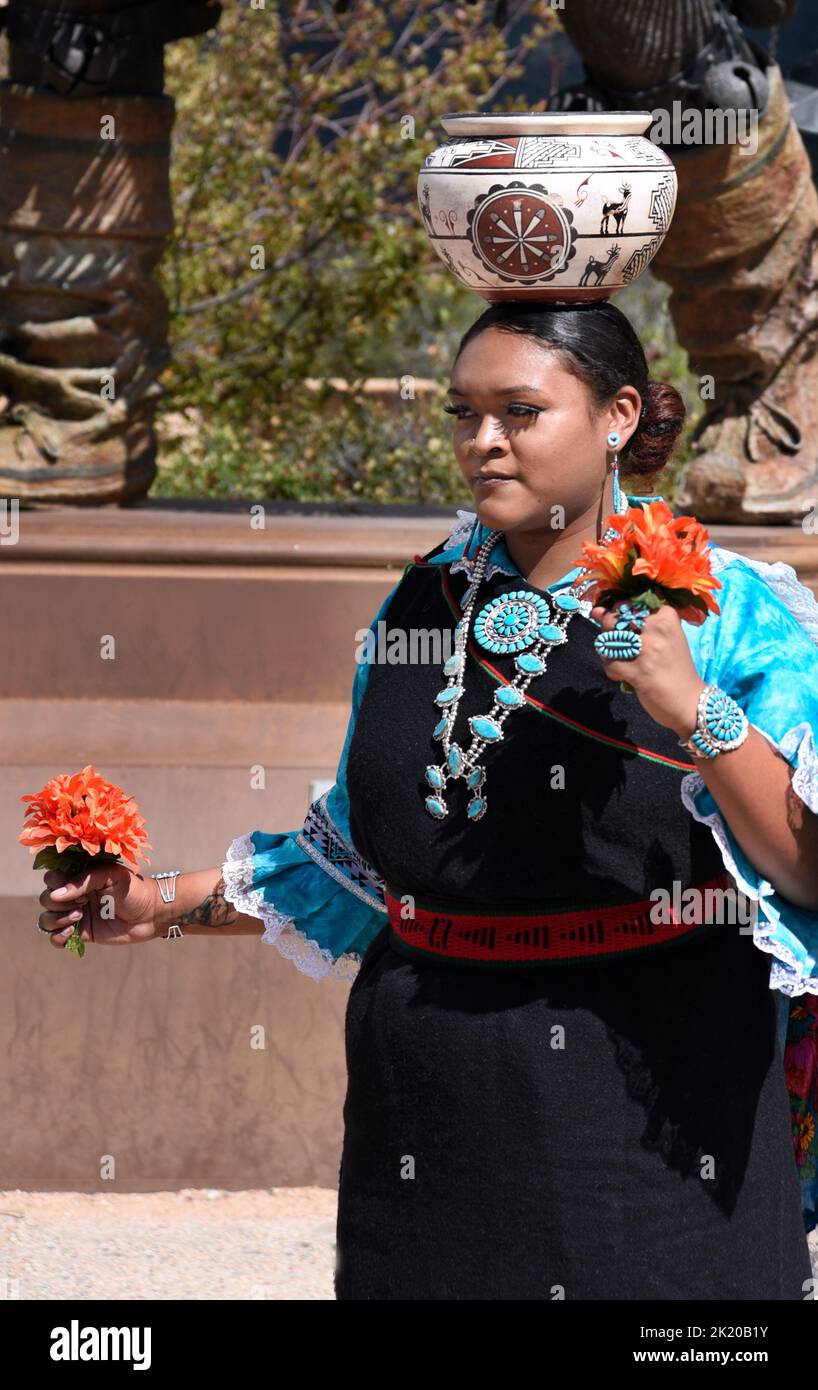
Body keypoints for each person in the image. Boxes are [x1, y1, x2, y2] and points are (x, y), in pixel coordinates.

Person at [36, 301, 818, 1300]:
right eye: (462, 413)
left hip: (657, 1119)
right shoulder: (423, 602)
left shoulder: (727, 611)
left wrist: (692, 708)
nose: (481, 441)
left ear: (616, 414)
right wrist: (151, 905)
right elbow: (363, 862)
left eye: (519, 412)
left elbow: (803, 868)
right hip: (433, 1121)